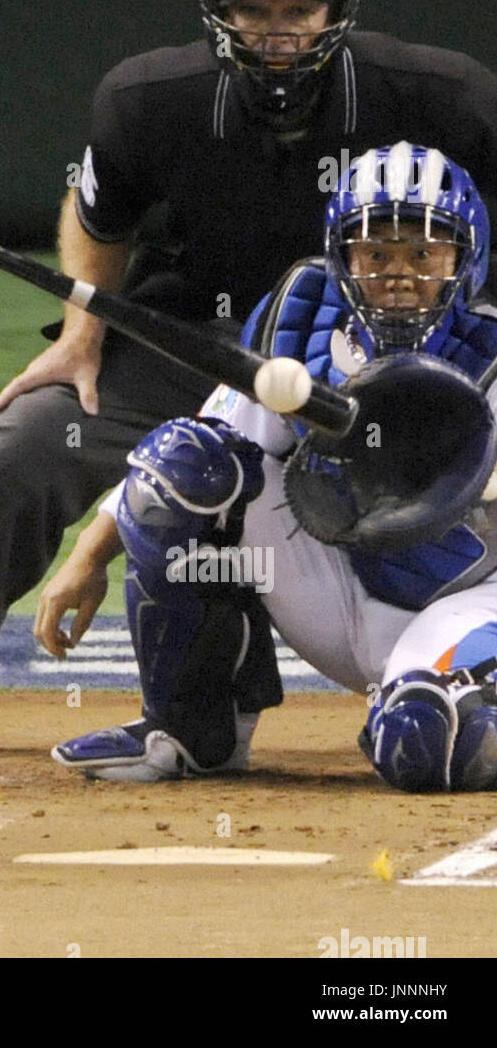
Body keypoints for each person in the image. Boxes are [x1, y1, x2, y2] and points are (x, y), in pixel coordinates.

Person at [0, 0, 497, 755]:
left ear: (339, 7)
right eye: (255, 9)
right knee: (23, 443)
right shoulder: (147, 101)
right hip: (183, 343)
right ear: (216, 7)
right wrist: (82, 335)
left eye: (300, 10)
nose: (278, 32)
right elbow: (95, 215)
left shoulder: (443, 98)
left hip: (392, 356)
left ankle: (435, 660)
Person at [49, 143, 497, 792]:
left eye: (423, 253)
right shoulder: (302, 322)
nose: (399, 273)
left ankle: (433, 699)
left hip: (462, 600)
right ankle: (193, 729)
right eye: (376, 253)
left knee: (425, 748)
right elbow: (206, 441)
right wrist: (87, 558)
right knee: (183, 468)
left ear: (464, 257)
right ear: (343, 257)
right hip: (327, 581)